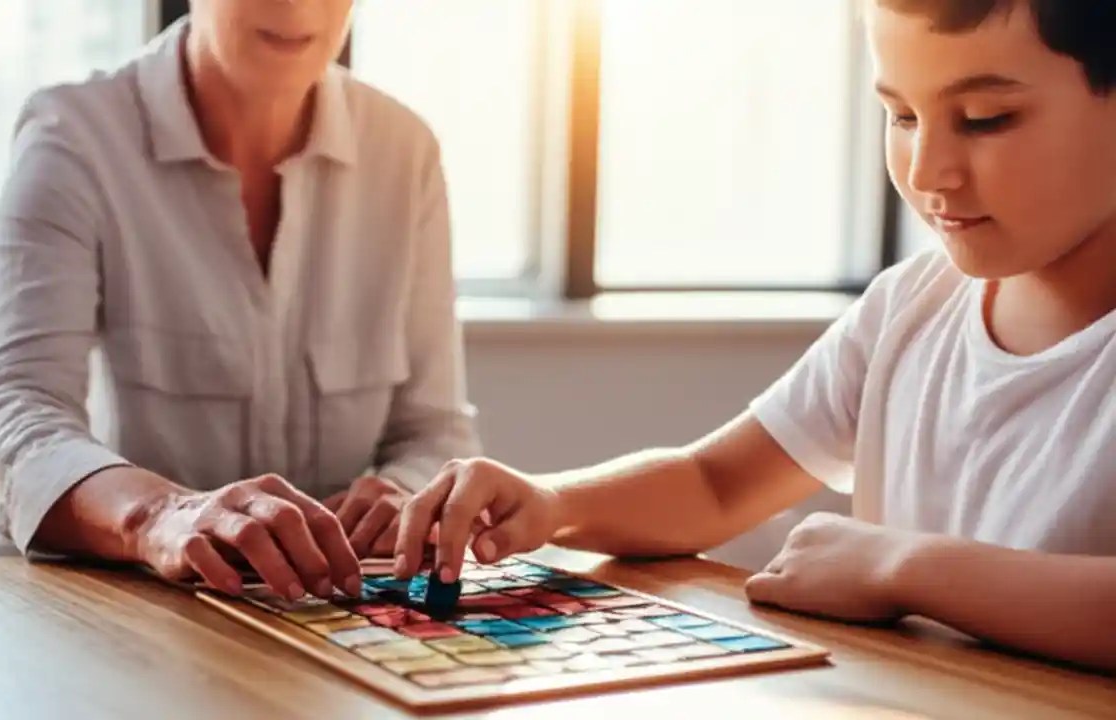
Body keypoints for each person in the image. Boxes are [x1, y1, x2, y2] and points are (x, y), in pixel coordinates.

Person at [394, 0, 1116, 672]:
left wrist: (901, 568)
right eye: (900, 117)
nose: (928, 171)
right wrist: (553, 504)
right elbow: (715, 483)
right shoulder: (911, 306)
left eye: (986, 118)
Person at [0, 0, 479, 602]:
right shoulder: (74, 134)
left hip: (300, 620)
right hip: (79, 607)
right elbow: (7, 413)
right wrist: (157, 516)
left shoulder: (404, 151)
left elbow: (436, 434)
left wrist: (403, 495)